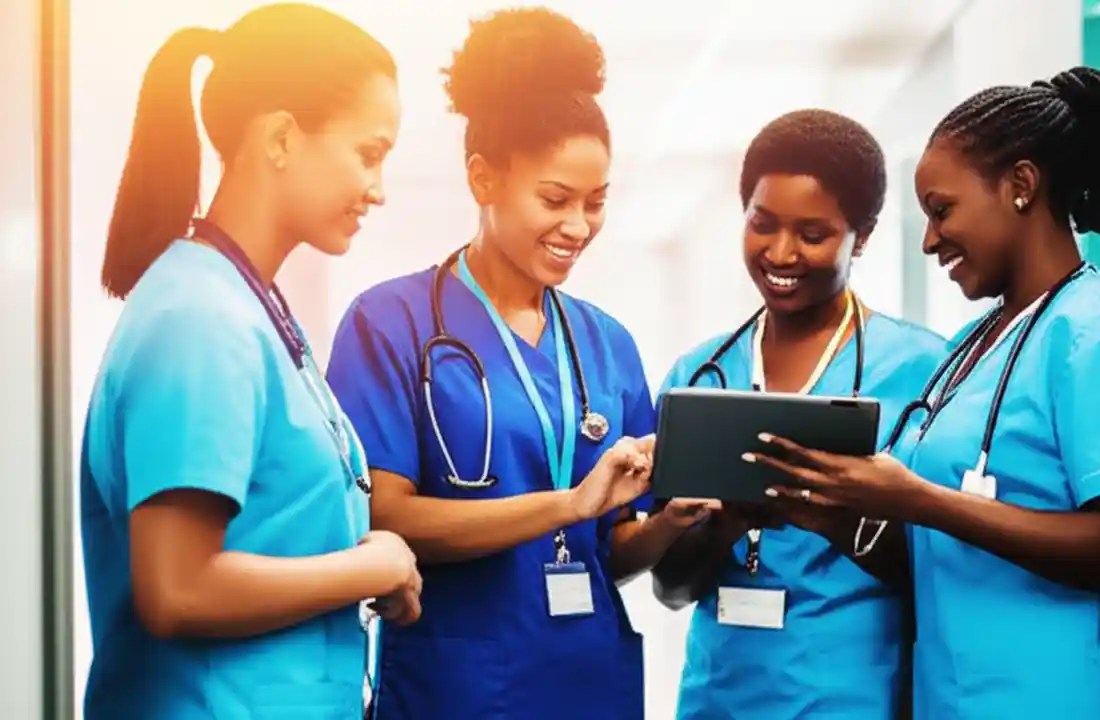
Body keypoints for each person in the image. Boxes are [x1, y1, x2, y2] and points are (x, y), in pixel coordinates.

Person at [750, 67, 1100, 719]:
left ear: (1021, 186)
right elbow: (939, 558)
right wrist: (838, 516)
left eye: (942, 210)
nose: (930, 240)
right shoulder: (967, 351)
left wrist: (921, 499)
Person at [324, 8, 713, 719]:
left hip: (590, 685)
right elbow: (383, 516)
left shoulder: (608, 344)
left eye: (595, 202)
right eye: (554, 199)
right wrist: (568, 504)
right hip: (457, 688)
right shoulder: (392, 323)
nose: (578, 226)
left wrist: (668, 525)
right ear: (483, 178)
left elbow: (608, 549)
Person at [79, 5, 422, 718]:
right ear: (282, 138)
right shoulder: (200, 319)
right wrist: (369, 566)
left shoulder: (247, 306)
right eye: (368, 153)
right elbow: (178, 589)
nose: (379, 188)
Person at [650, 109, 947, 719]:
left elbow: (946, 576)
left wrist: (836, 518)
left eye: (813, 235)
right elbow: (670, 587)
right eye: (763, 225)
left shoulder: (924, 369)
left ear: (862, 237)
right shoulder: (699, 376)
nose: (781, 253)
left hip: (851, 698)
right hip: (719, 698)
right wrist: (726, 525)